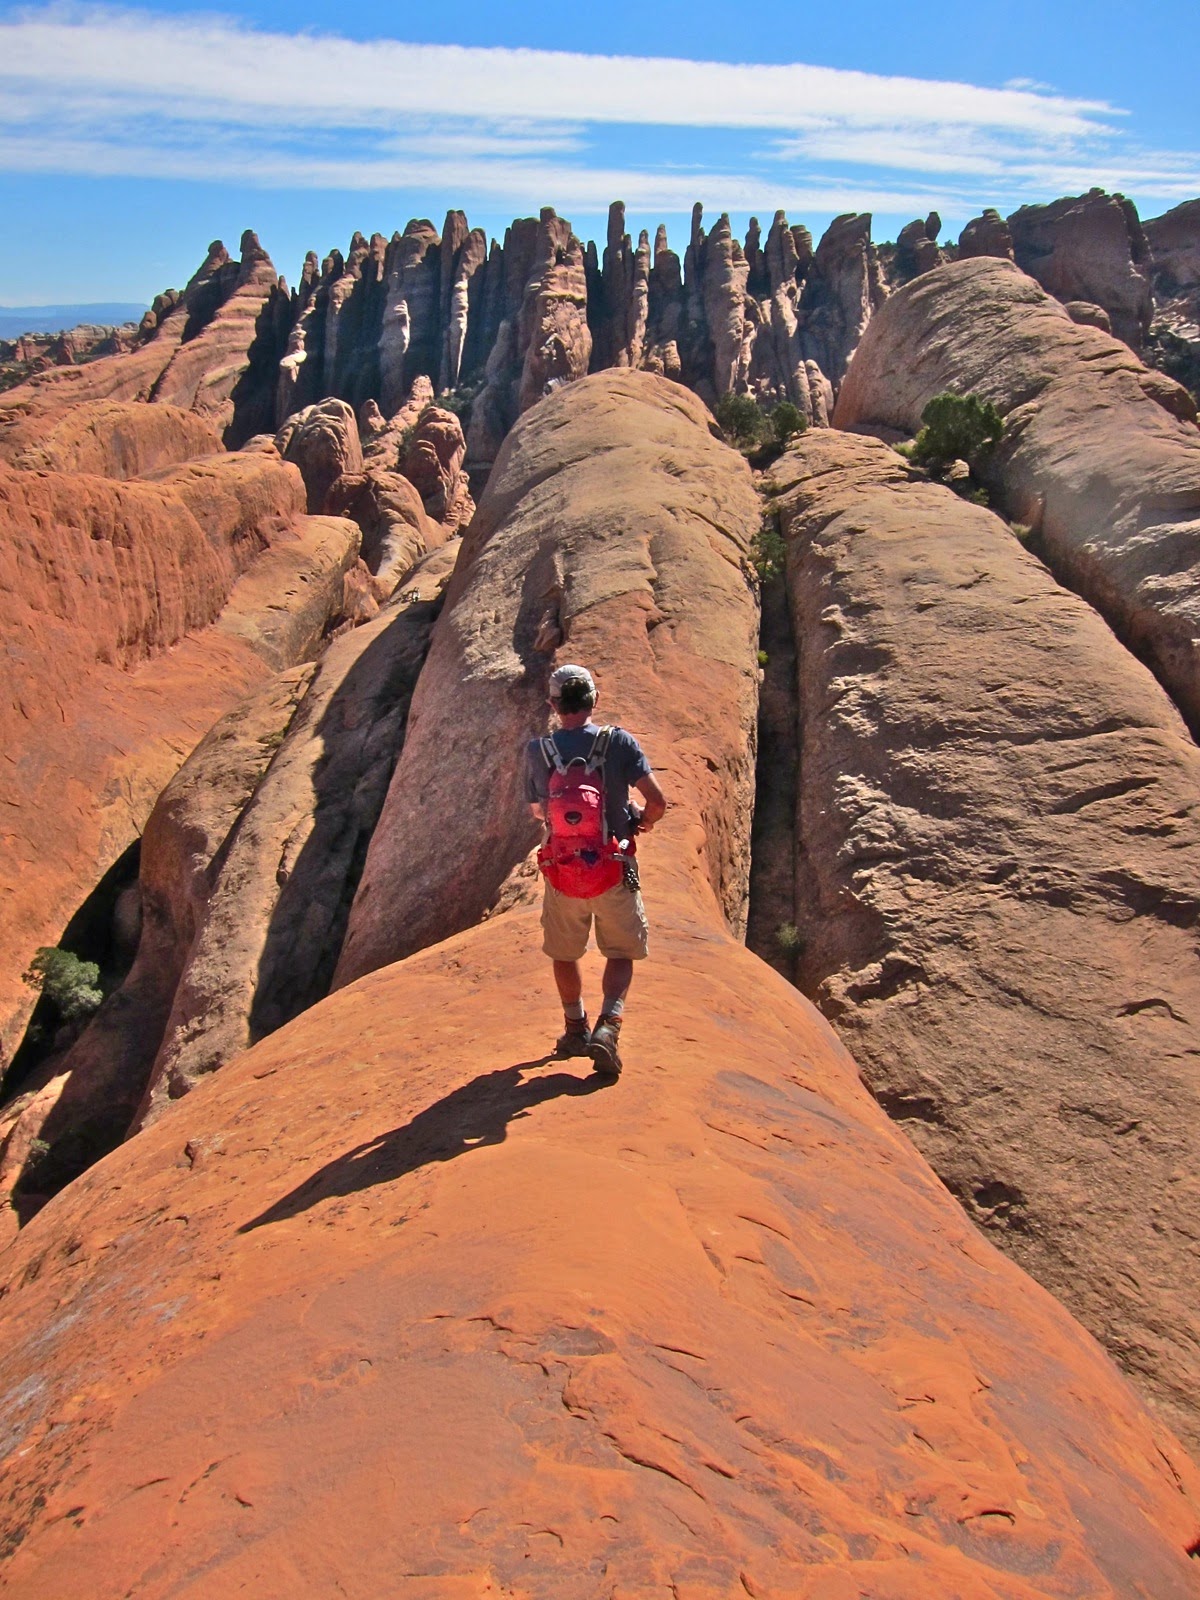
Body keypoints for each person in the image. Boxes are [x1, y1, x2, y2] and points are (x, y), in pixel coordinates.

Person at [526, 664, 666, 1077]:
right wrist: (641, 820)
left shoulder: (539, 751)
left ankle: (574, 1029)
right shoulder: (618, 742)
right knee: (620, 951)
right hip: (613, 865)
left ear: (553, 705)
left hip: (563, 871)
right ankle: (608, 1026)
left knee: (564, 953)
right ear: (594, 701)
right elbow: (657, 801)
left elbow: (538, 810)